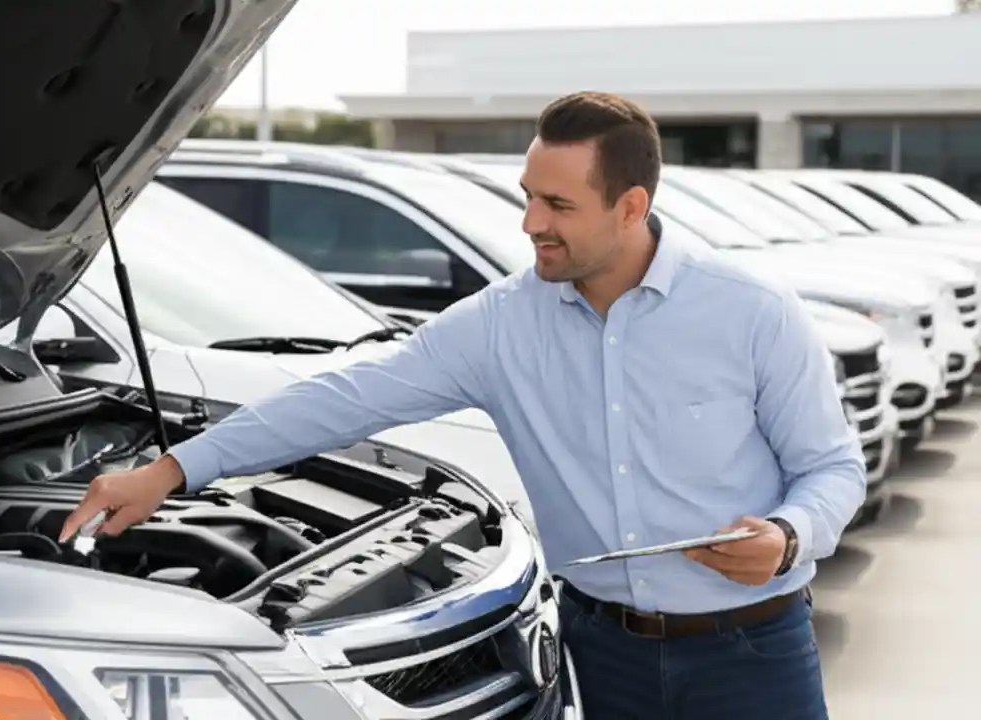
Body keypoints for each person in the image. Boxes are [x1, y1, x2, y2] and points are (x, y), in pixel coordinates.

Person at [60, 90, 863, 719]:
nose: (530, 224)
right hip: (599, 652)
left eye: (558, 206)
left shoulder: (751, 311)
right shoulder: (500, 324)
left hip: (751, 653)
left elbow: (831, 469)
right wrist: (171, 469)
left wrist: (789, 539)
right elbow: (346, 398)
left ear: (631, 206)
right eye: (528, 197)